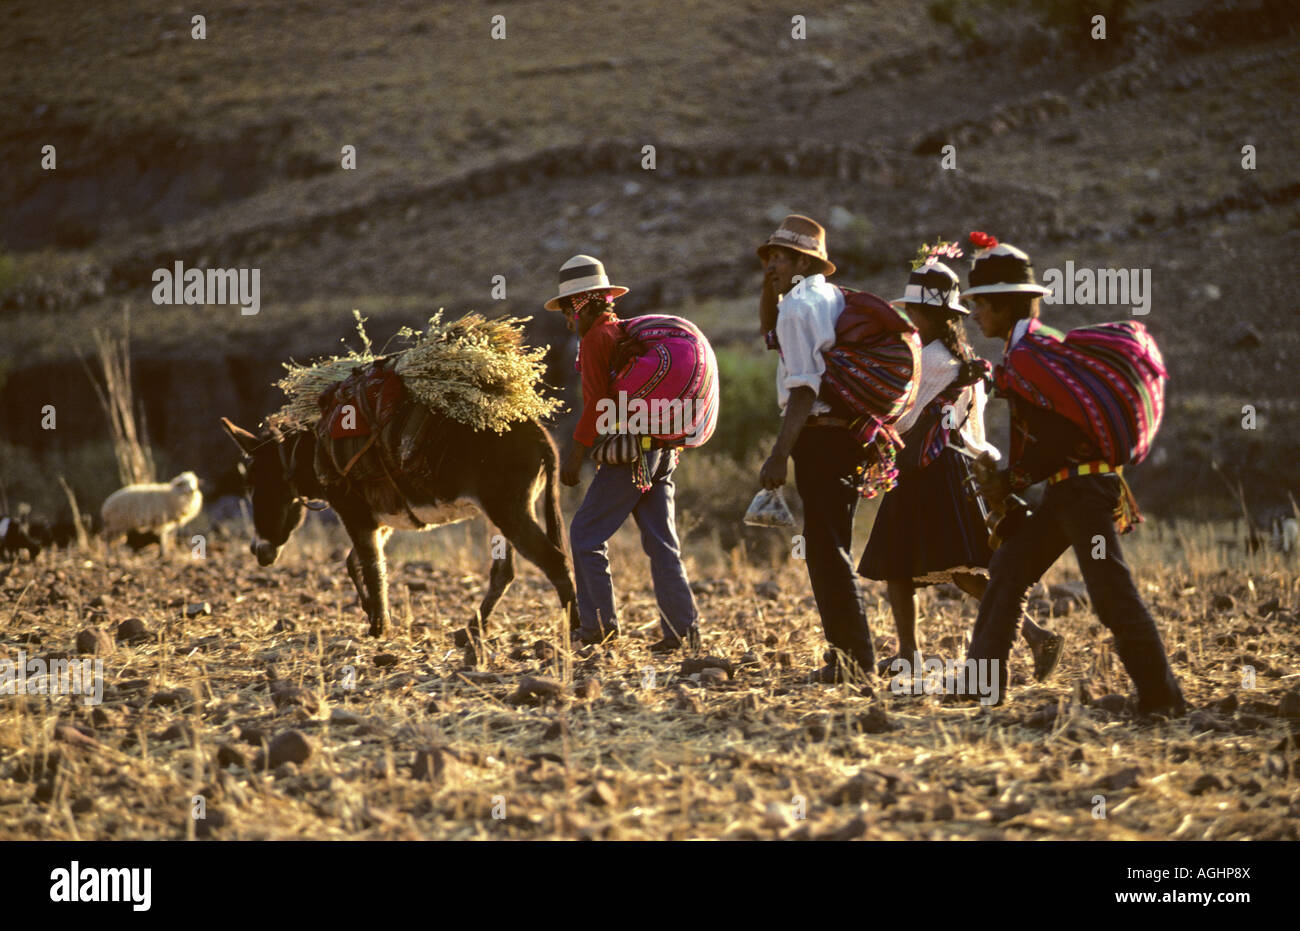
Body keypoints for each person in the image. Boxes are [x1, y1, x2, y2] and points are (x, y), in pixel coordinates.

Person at [961, 238, 1185, 714]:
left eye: (979, 303)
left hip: (1082, 491)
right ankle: (981, 688)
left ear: (1002, 304)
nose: (975, 314)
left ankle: (1163, 699)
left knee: (1110, 594)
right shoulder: (1032, 352)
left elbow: (1058, 439)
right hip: (1072, 491)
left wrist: (1011, 479)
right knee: (1009, 569)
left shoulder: (1028, 357)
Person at [858, 258, 1064, 681]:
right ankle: (1034, 635)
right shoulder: (963, 360)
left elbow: (903, 419)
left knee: (903, 565)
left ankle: (911, 654)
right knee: (962, 571)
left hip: (922, 469)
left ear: (933, 315)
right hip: (949, 466)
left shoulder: (929, 359)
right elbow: (973, 430)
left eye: (914, 312)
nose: (909, 318)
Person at [549, 255, 701, 653]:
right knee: (661, 542)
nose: (567, 318)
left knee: (584, 534)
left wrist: (574, 455)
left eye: (568, 308)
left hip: (633, 455)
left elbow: (599, 405)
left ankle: (599, 627)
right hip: (661, 451)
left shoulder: (596, 339)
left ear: (581, 303)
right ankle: (683, 632)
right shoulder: (617, 333)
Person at [756, 215, 877, 686]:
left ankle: (854, 660)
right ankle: (846, 655)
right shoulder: (828, 297)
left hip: (820, 434)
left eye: (780, 258)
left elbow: (804, 390)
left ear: (803, 260)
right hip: (847, 435)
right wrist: (772, 283)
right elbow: (771, 331)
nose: (772, 266)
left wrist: (779, 454)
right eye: (768, 258)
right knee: (834, 545)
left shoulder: (799, 307)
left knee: (825, 552)